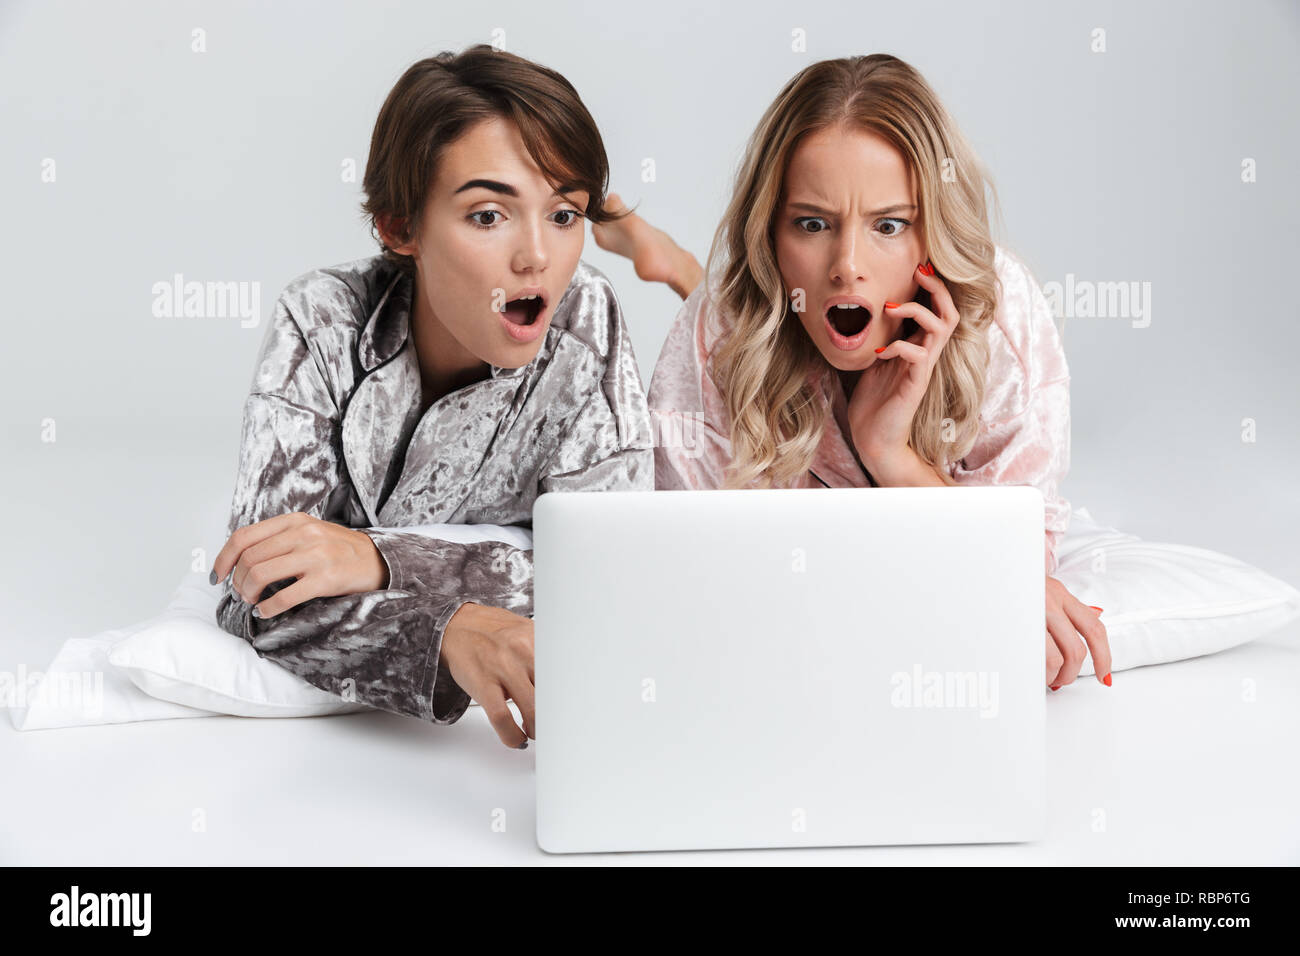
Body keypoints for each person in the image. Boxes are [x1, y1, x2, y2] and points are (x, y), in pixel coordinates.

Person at [593, 53, 1111, 692]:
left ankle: (676, 261)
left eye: (889, 225)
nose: (847, 266)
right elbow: (694, 568)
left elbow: (1022, 551)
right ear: (771, 235)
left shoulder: (1000, 317)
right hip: (757, 315)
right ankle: (670, 262)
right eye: (811, 224)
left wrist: (892, 454)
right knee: (728, 307)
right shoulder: (721, 328)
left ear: (932, 238)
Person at [210, 46, 653, 749]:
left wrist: (380, 560)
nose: (537, 255)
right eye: (488, 215)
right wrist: (449, 632)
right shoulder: (320, 321)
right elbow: (262, 591)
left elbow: (617, 574)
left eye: (564, 214)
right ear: (399, 228)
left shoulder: (587, 321)